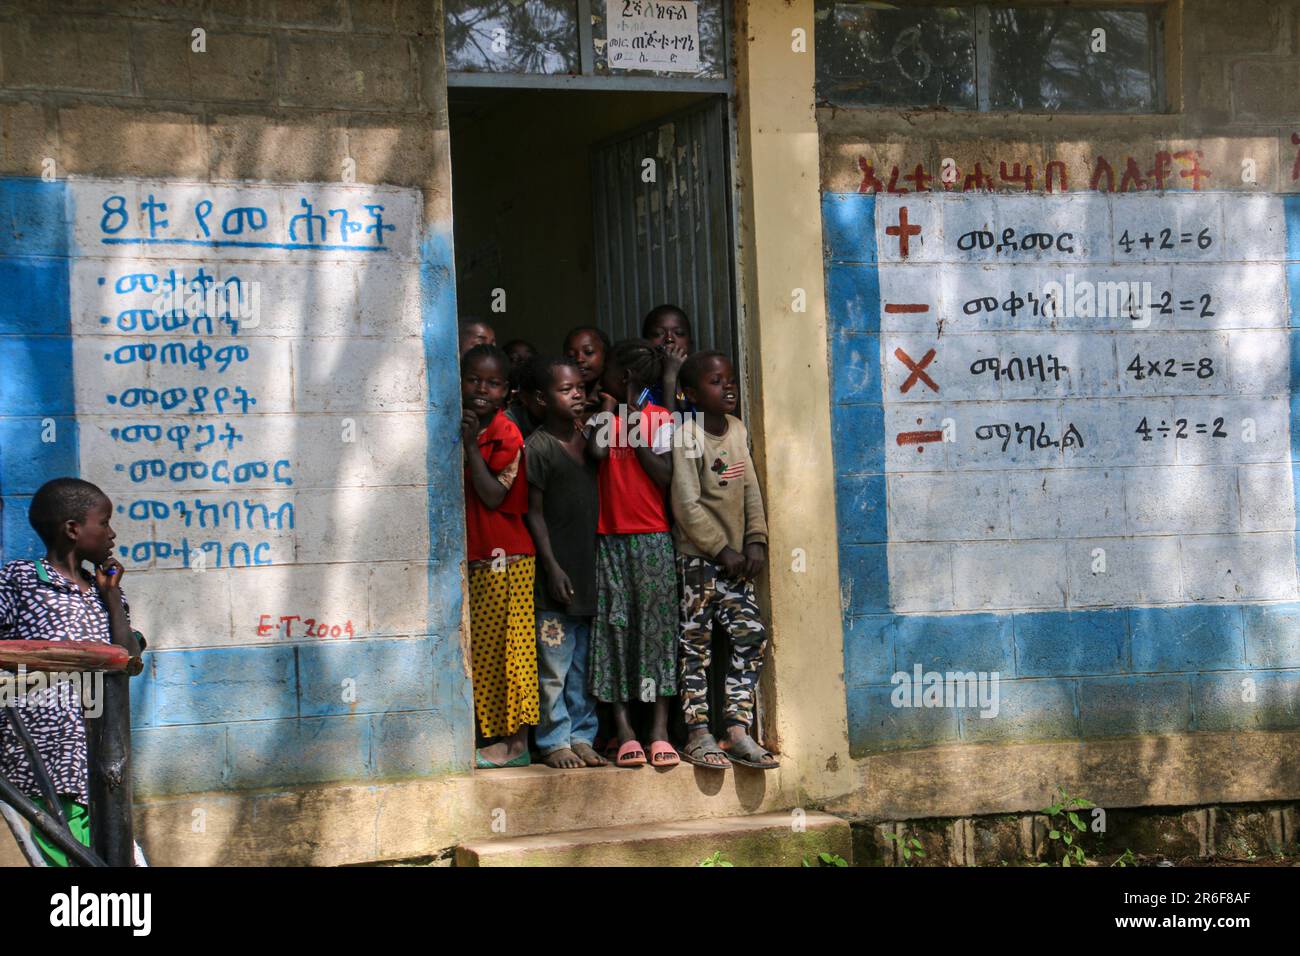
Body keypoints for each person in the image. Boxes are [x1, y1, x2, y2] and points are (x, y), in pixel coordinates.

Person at [0, 477, 143, 865]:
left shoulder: (102, 589)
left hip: (96, 748)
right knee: (68, 848)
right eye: (105, 522)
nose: (112, 533)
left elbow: (129, 659)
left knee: (112, 847)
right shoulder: (20, 580)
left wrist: (112, 597)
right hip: (41, 750)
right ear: (73, 529)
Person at [670, 351, 777, 771]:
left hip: (736, 564)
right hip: (698, 562)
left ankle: (735, 728)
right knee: (694, 646)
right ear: (692, 394)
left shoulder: (736, 430)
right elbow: (685, 504)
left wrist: (755, 541)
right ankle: (697, 732)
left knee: (751, 635)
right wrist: (721, 548)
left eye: (730, 380)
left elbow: (750, 488)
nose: (728, 387)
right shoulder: (686, 435)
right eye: (716, 382)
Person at [587, 340, 680, 769]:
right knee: (614, 630)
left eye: (605, 373)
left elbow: (664, 476)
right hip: (611, 538)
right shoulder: (603, 419)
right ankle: (624, 731)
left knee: (656, 632)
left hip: (653, 539)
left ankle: (658, 730)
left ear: (622, 378)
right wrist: (613, 413)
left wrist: (634, 424)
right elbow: (598, 453)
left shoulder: (659, 419)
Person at [522, 357, 606, 769]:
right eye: (565, 390)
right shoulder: (537, 447)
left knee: (582, 668)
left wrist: (604, 411)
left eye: (579, 388)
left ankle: (582, 735)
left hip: (589, 576)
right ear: (541, 399)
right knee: (553, 667)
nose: (576, 394)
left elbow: (601, 450)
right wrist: (551, 566)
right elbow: (533, 513)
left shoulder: (587, 439)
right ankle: (554, 740)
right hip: (555, 580)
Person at [461, 344, 538, 768]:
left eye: (492, 383)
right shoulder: (458, 424)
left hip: (506, 558)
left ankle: (516, 744)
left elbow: (493, 496)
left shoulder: (506, 433)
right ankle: (493, 737)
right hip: (475, 558)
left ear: (506, 391)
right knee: (486, 653)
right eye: (473, 380)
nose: (481, 389)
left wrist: (472, 447)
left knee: (514, 653)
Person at [641, 304, 694, 414]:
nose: (669, 338)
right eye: (658, 334)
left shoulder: (699, 384)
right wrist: (669, 377)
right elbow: (668, 429)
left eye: (679, 333)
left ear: (690, 344)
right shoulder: (642, 390)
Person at [563, 325, 611, 423]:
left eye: (588, 352)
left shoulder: (616, 395)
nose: (579, 359)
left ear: (606, 355)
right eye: (571, 356)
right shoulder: (563, 401)